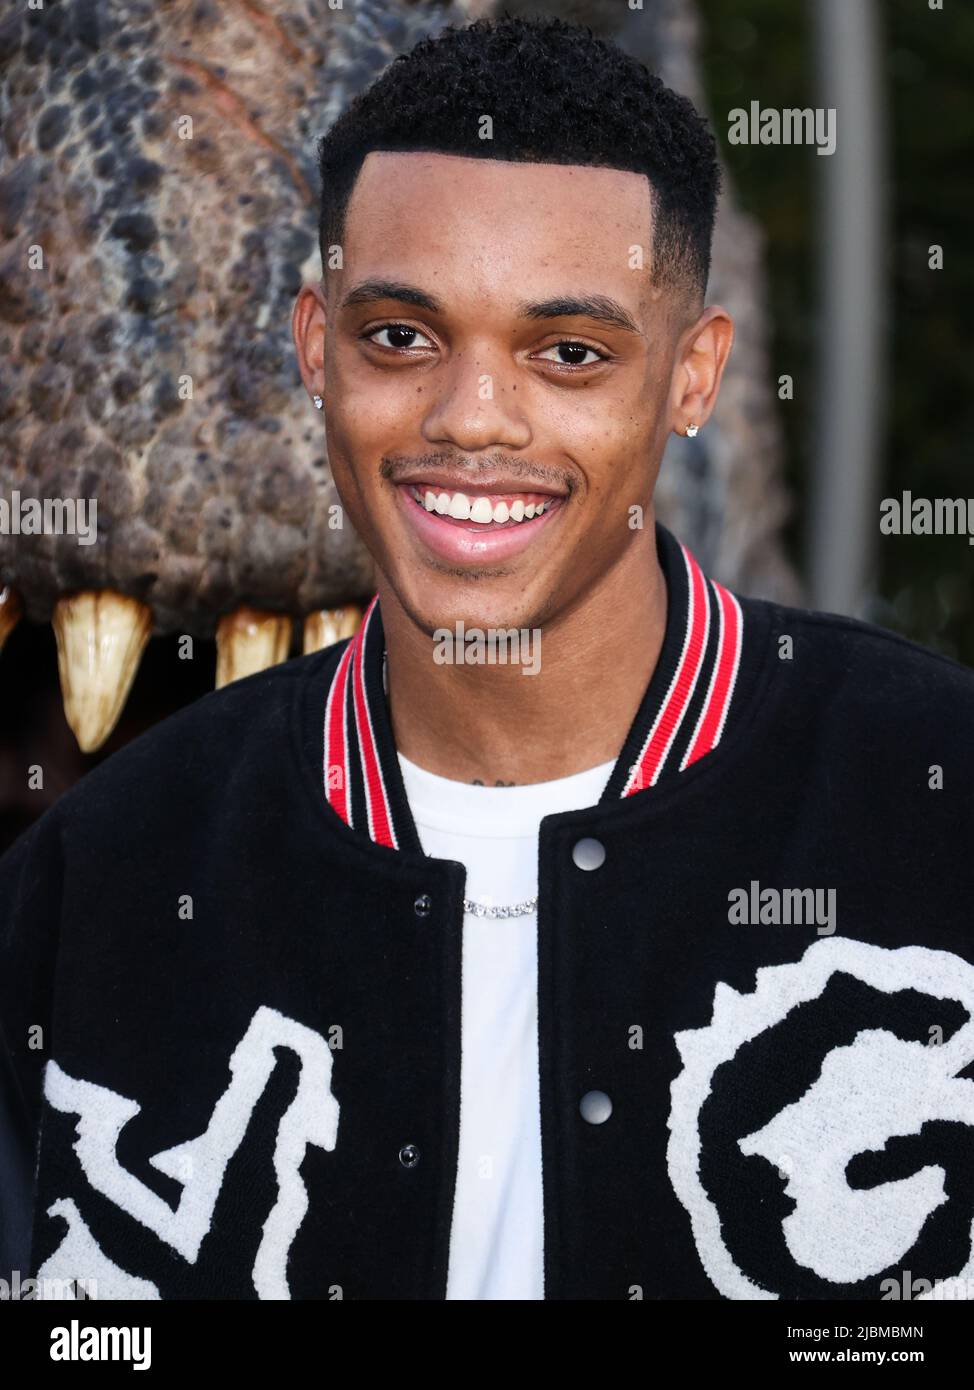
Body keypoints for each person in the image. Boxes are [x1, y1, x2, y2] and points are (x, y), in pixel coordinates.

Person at [2, 15, 972, 1303]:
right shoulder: (91, 876)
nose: (471, 420)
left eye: (569, 353)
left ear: (694, 377)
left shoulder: (937, 797)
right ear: (315, 345)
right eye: (401, 336)